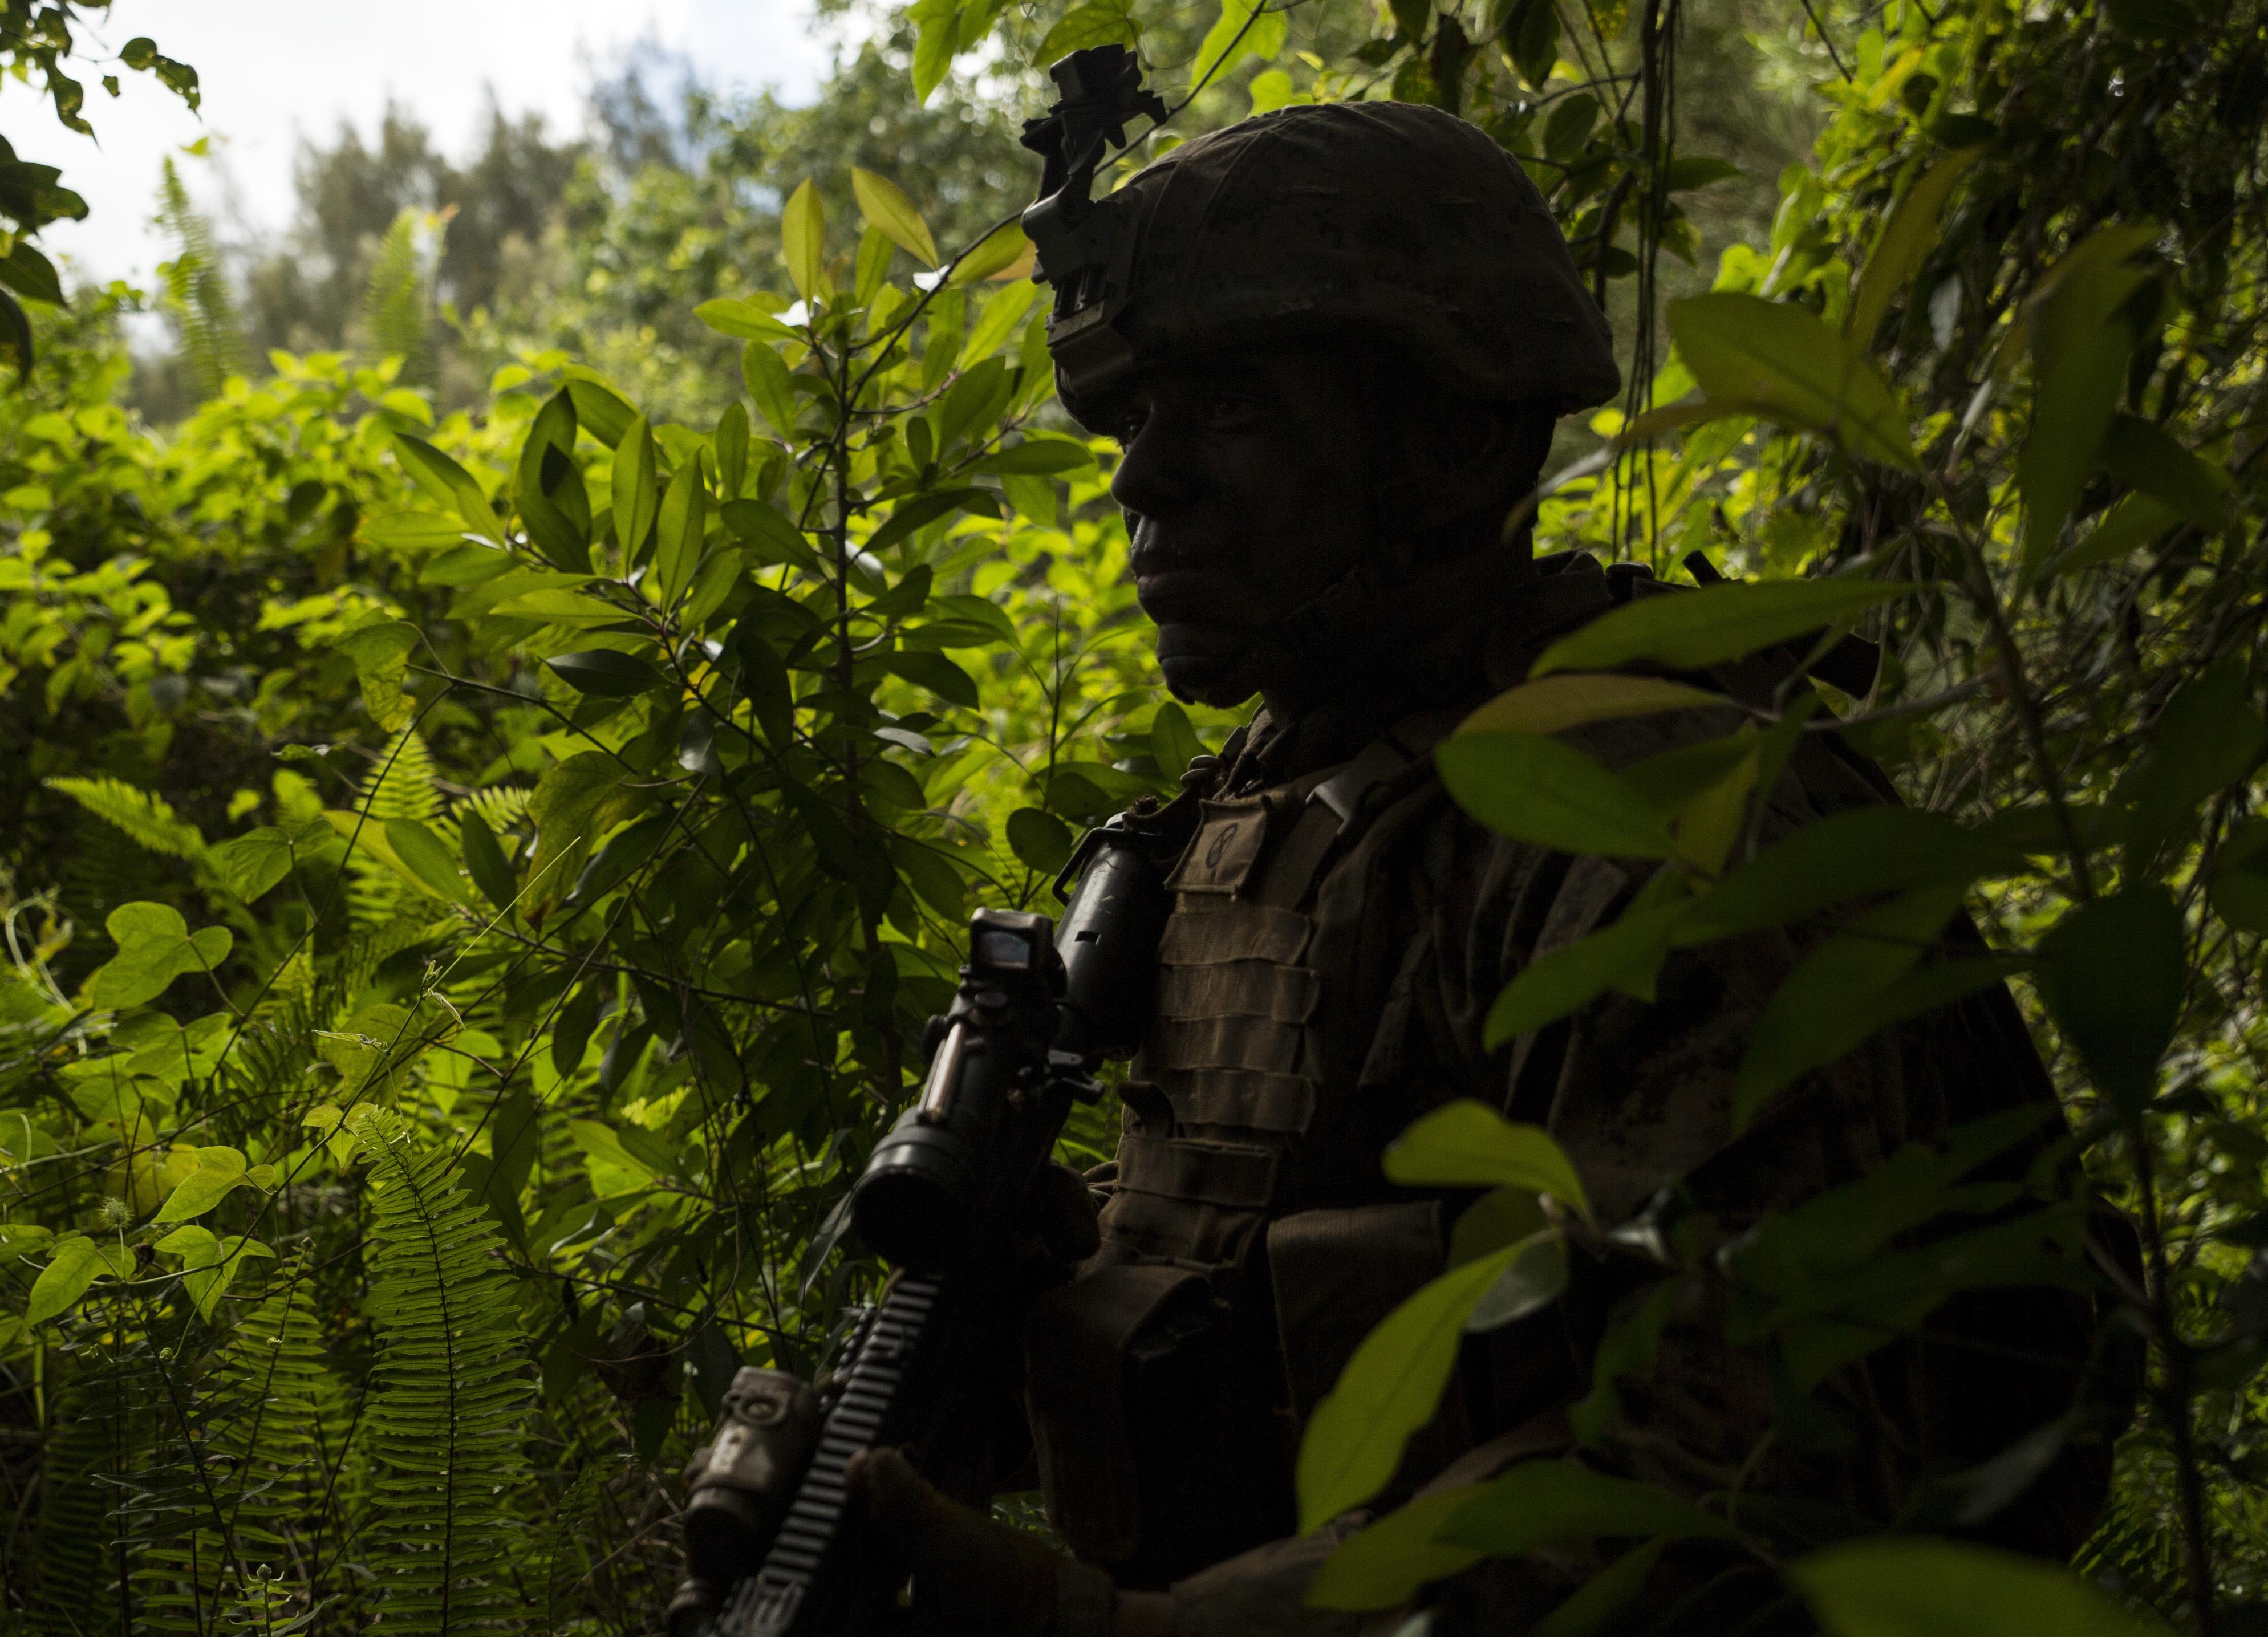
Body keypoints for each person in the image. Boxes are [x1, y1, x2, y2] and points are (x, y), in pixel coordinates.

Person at [842, 99, 2113, 1636]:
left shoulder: (1666, 820)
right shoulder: (1263, 810)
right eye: (1138, 420)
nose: (1145, 483)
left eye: (1232, 410)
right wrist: (1045, 1293)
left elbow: (1736, 1484)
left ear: (1451, 441)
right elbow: (1297, 1272)